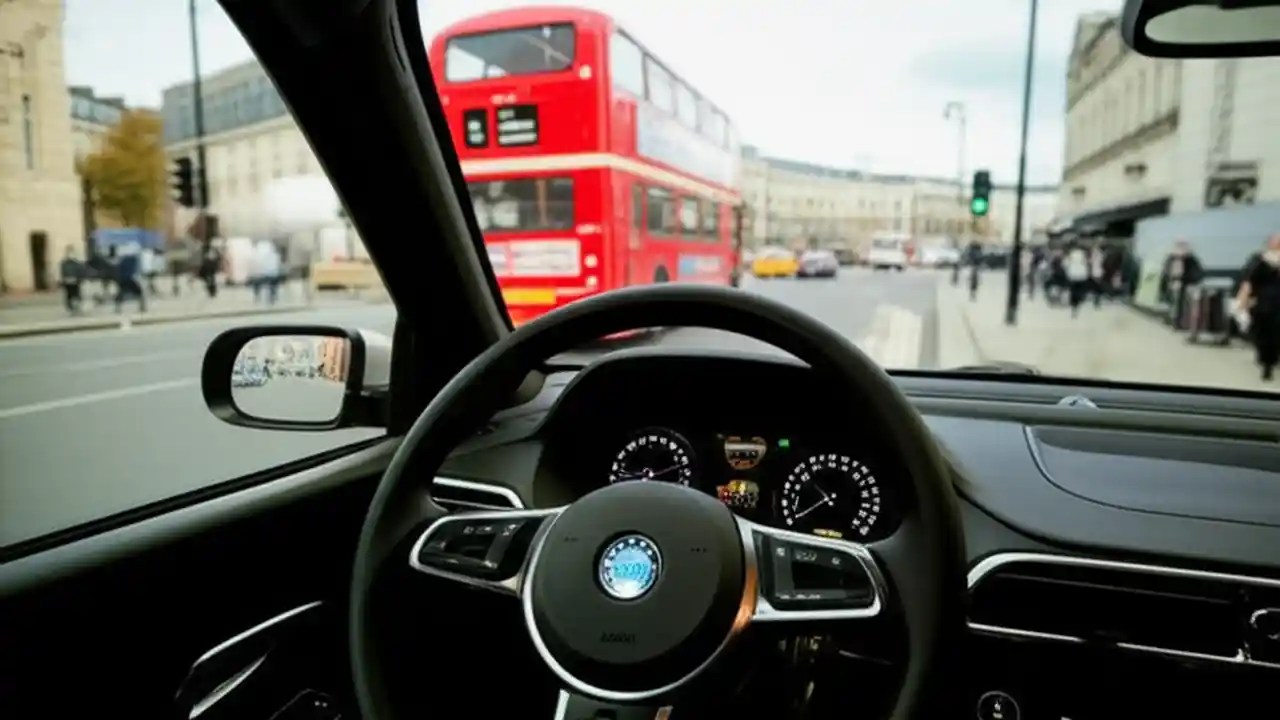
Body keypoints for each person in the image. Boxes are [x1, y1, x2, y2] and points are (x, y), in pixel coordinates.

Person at [1236, 234, 1280, 381]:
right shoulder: (1258, 259)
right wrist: (1242, 303)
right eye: (1276, 240)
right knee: (1264, 333)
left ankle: (1271, 360)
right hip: (1264, 302)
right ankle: (1266, 363)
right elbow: (1248, 282)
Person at [1160, 239, 1204, 328]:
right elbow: (1166, 274)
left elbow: (1197, 275)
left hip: (1187, 285)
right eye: (1179, 246)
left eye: (1183, 246)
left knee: (1181, 293)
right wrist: (1171, 281)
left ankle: (1179, 320)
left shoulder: (1191, 260)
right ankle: (1175, 319)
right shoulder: (1171, 259)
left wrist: (1182, 280)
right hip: (1172, 285)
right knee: (1175, 292)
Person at [1063, 241, 1091, 318]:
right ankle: (1078, 304)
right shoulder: (1083, 254)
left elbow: (1065, 264)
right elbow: (1086, 264)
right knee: (1079, 291)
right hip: (1082, 275)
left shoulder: (1069, 254)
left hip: (1072, 276)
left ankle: (1074, 307)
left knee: (1073, 292)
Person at [58, 245, 85, 315]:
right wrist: (63, 280)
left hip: (75, 281)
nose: (70, 254)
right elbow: (62, 272)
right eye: (69, 252)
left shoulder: (76, 263)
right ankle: (71, 308)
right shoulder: (64, 263)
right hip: (68, 282)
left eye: (71, 252)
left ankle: (76, 307)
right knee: (69, 295)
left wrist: (79, 279)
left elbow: (80, 271)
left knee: (76, 294)